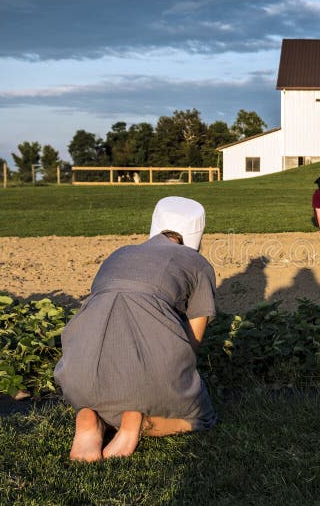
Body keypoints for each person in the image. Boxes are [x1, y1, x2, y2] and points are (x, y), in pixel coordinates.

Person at [54, 196, 218, 461]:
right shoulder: (197, 264)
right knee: (203, 417)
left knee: (103, 391)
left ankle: (90, 416)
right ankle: (138, 423)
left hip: (78, 375)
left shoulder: (120, 253)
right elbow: (193, 340)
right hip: (151, 378)